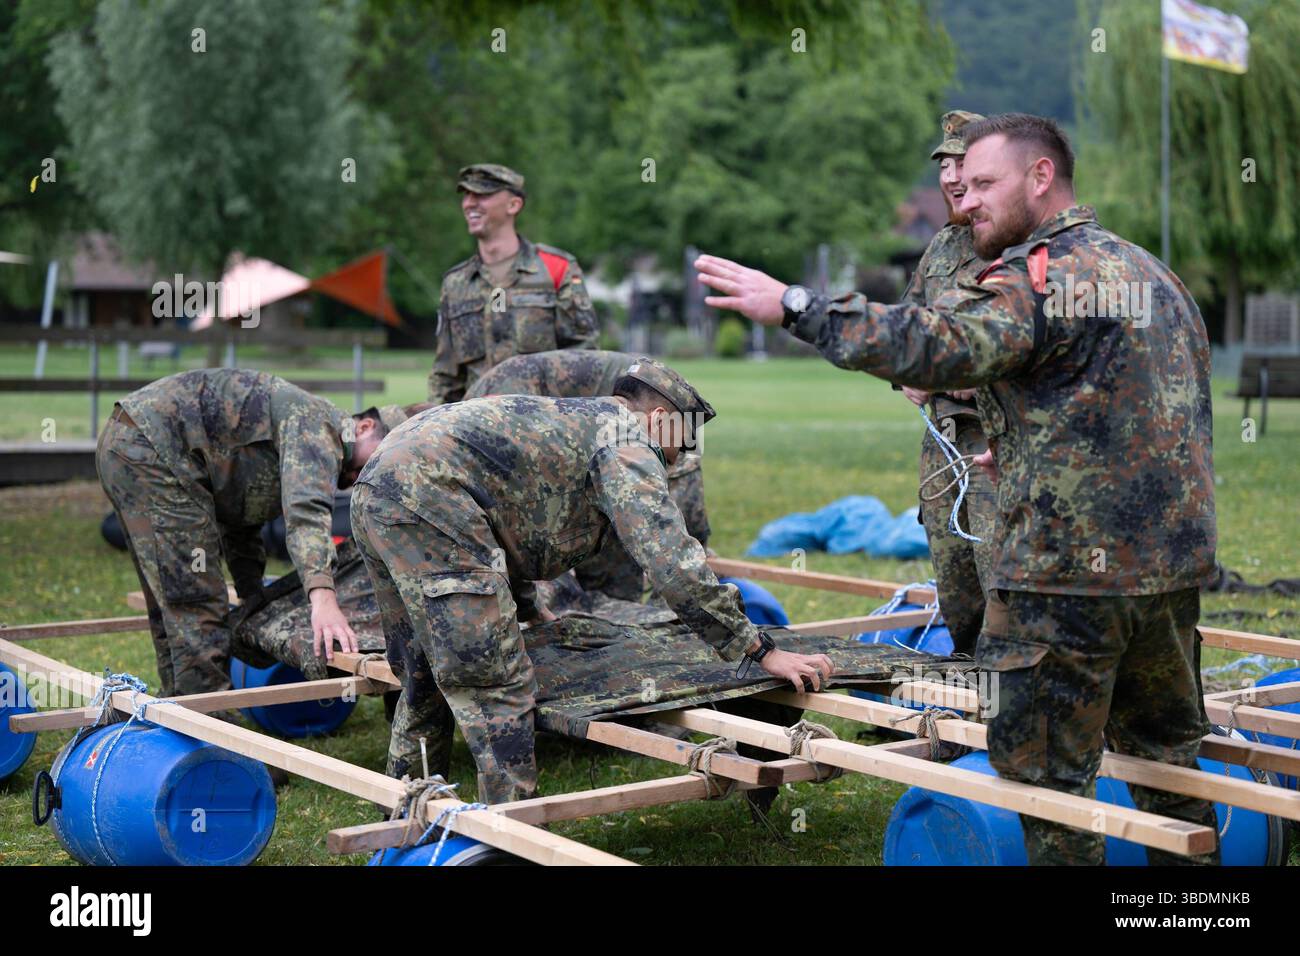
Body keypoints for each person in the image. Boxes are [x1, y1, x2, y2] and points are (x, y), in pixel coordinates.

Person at [694, 113, 1220, 865]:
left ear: (1041, 178)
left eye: (983, 184)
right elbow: (1141, 412)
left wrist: (797, 307)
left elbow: (930, 342)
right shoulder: (1152, 274)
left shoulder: (1034, 278)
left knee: (1047, 793)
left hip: (1062, 586)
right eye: (961, 184)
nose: (964, 199)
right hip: (1169, 576)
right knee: (1171, 773)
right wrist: (1025, 447)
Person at [352, 358, 833, 803]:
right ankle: (508, 838)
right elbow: (671, 561)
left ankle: (407, 817)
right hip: (425, 496)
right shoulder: (626, 441)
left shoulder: (578, 423)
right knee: (494, 682)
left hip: (377, 489)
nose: (679, 456)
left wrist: (527, 608)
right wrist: (759, 649)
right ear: (663, 416)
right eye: (682, 440)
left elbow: (507, 521)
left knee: (421, 671)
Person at [97, 368, 387, 698]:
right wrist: (323, 599)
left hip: (134, 443)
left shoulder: (294, 441)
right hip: (150, 447)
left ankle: (177, 709)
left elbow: (240, 517)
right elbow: (306, 513)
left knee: (172, 592)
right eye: (371, 463)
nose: (363, 477)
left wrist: (254, 598)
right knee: (194, 597)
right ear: (363, 427)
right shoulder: (321, 426)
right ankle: (208, 724)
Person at [466, 349, 711, 601]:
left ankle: (619, 608)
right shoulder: (499, 408)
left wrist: (692, 550)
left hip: (631, 420)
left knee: (635, 521)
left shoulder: (667, 405)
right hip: (551, 420)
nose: (674, 459)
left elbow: (679, 485)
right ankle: (600, 609)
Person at [896, 110, 996, 658]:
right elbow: (906, 328)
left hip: (999, 443)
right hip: (943, 448)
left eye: (967, 164)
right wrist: (907, 374)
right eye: (945, 164)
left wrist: (964, 378)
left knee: (1002, 574)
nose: (953, 177)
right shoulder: (941, 248)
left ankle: (1014, 701)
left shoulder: (1019, 246)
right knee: (956, 577)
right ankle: (971, 693)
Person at [428, 164, 599, 404]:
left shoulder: (557, 269)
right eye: (466, 195)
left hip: (541, 427)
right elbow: (446, 377)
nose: (469, 203)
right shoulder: (455, 283)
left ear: (513, 205)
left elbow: (585, 360)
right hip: (474, 428)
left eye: (482, 195)